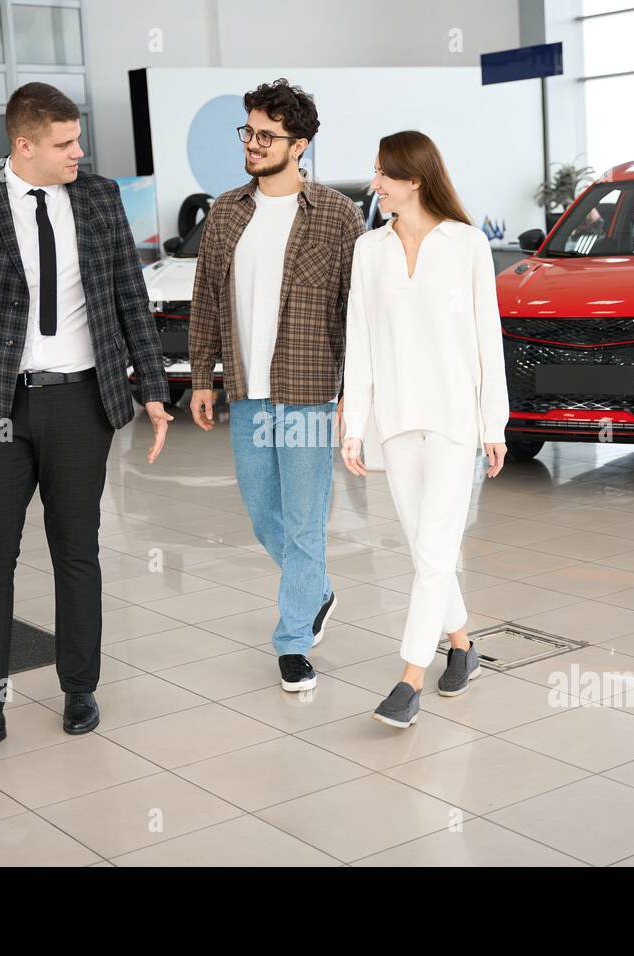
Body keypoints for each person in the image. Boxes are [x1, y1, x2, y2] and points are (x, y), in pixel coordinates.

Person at [0, 82, 173, 754]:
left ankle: (79, 688)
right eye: (65, 143)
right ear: (23, 145)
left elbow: (128, 292)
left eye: (77, 139)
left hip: (81, 401)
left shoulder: (98, 197)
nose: (77, 152)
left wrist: (152, 388)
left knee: (77, 551)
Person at [188, 78, 365, 692]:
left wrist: (354, 394)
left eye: (267, 135)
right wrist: (202, 377)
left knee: (304, 520)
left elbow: (356, 312)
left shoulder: (337, 216)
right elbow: (206, 300)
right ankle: (317, 590)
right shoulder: (226, 211)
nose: (253, 143)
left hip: (308, 390)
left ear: (300, 144)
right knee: (264, 515)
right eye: (249, 131)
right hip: (248, 390)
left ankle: (293, 642)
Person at [340, 130, 509, 729]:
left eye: (383, 174)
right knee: (425, 547)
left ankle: (409, 678)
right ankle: (462, 645)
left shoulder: (467, 244)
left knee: (434, 548)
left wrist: (494, 422)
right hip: (395, 418)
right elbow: (359, 339)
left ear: (414, 178)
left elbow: (488, 337)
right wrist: (354, 423)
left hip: (455, 417)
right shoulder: (369, 250)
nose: (375, 185)